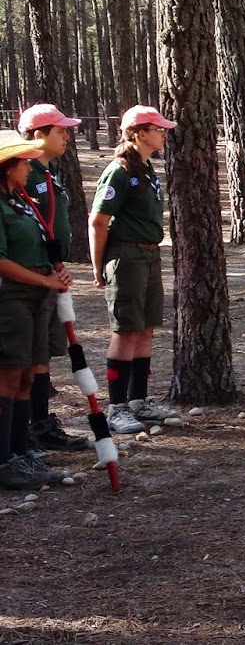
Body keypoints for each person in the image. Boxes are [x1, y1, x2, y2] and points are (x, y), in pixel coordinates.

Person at [89, 105, 181, 434]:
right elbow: (98, 220)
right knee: (126, 330)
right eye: (158, 129)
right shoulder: (119, 171)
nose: (164, 134)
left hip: (148, 254)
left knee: (145, 328)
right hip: (126, 256)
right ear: (140, 133)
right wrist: (98, 266)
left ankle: (138, 400)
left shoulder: (145, 168)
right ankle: (116, 408)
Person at [0, 130, 71, 489]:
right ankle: (4, 461)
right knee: (8, 376)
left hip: (37, 296)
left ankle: (20, 450)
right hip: (12, 299)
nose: (30, 168)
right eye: (24, 162)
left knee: (28, 375)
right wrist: (44, 282)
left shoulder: (19, 200)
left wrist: (55, 273)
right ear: (7, 167)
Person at [17, 104, 90, 451]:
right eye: (60, 131)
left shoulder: (48, 173)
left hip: (48, 271)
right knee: (27, 356)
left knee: (43, 352)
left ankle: (41, 424)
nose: (67, 137)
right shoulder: (23, 173)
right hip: (28, 276)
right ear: (38, 135)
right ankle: (27, 430)